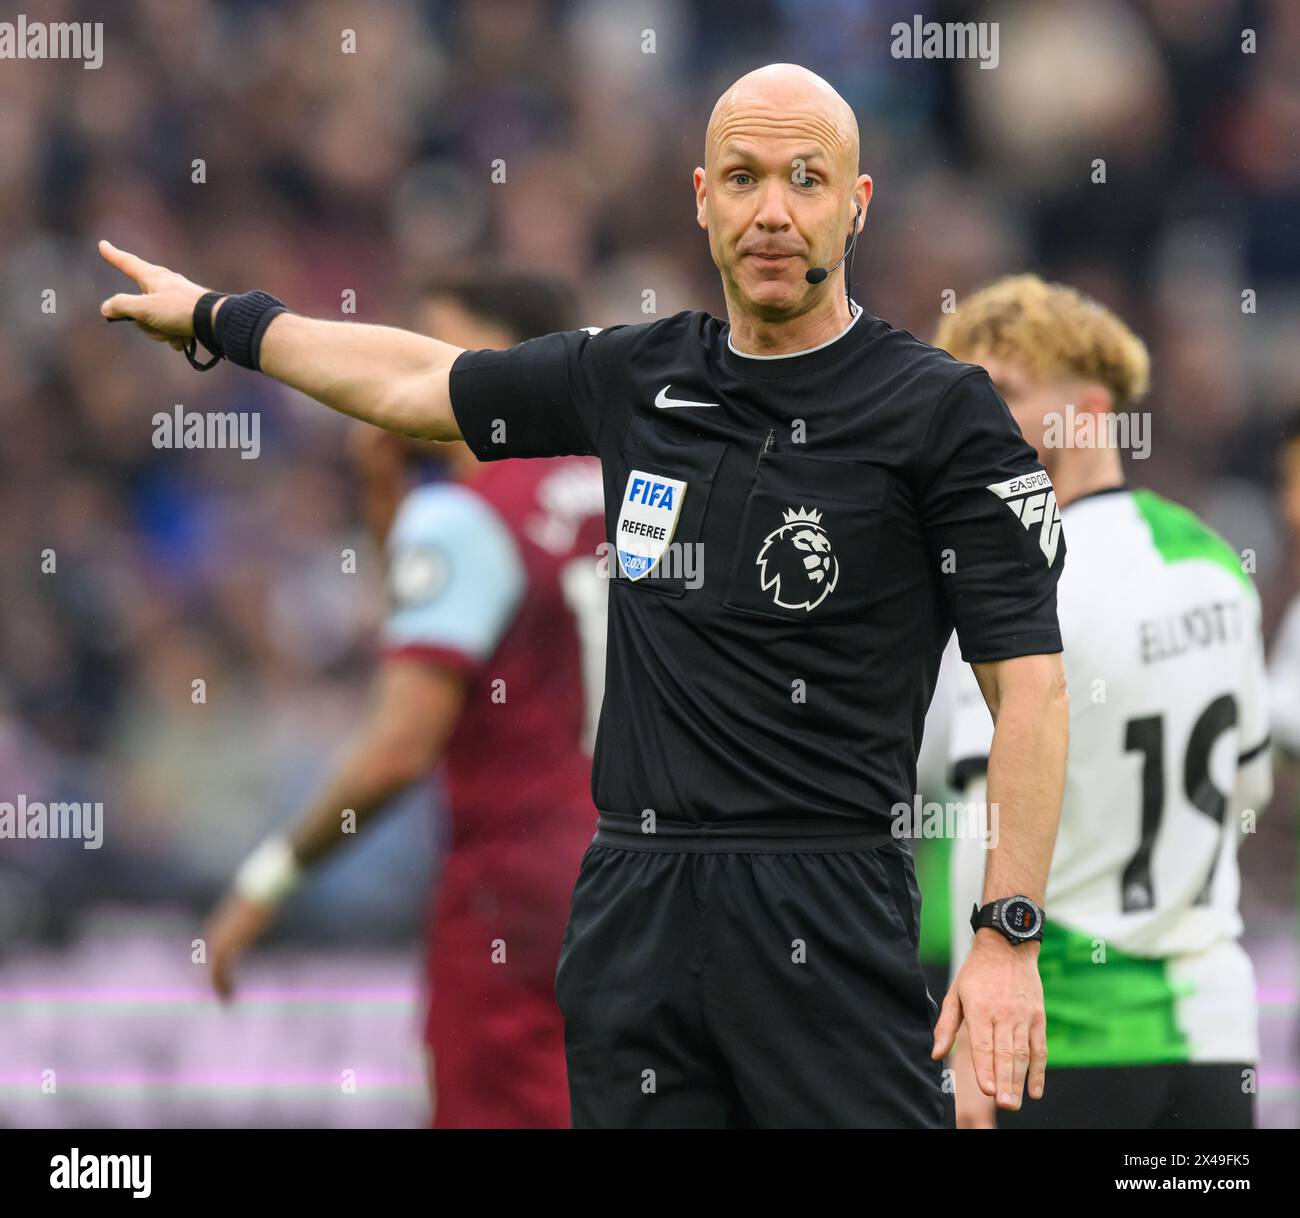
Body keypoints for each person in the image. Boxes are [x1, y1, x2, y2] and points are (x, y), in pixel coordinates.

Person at [100, 62, 1068, 1129]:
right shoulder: (639, 379)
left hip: (824, 901)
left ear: (857, 202)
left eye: (806, 178)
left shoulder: (941, 414)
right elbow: (419, 384)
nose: (774, 212)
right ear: (702, 200)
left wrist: (1005, 933)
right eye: (742, 179)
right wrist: (218, 319)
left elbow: (1028, 689)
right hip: (631, 904)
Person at [202, 272, 607, 1128]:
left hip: (515, 881)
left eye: (435, 345)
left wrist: (268, 880)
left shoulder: (465, 516)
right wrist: (390, 502)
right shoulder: (616, 489)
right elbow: (471, 626)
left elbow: (402, 743)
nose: (408, 369)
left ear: (506, 366)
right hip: (642, 871)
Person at [933, 274, 1271, 1129]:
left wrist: (972, 1029)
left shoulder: (1018, 582)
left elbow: (984, 815)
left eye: (1000, 394)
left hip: (1058, 1042)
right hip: (1214, 1043)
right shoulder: (1214, 562)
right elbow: (1251, 787)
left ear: (1088, 410)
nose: (970, 424)